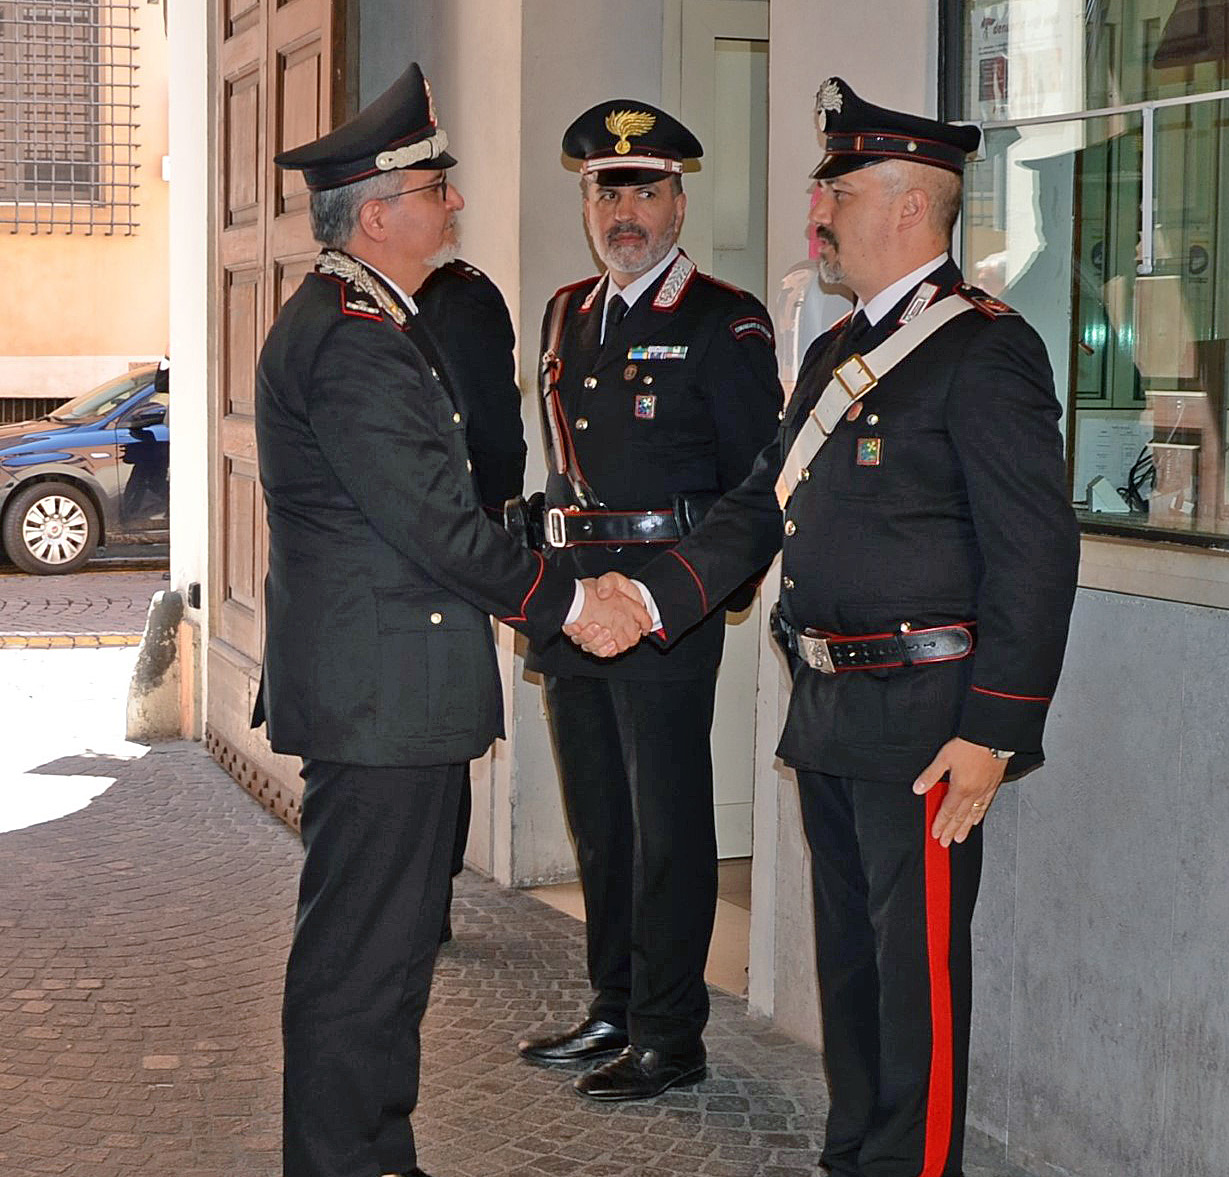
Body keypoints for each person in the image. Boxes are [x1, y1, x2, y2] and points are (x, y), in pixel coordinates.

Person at [580, 77, 1079, 1177]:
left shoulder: (983, 349)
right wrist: (648, 599)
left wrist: (994, 731)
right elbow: (757, 505)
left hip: (931, 723)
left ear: (909, 204)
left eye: (837, 192)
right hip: (834, 707)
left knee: (915, 983)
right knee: (851, 972)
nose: (818, 211)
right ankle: (855, 1156)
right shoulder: (835, 349)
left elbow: (1037, 553)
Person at [252, 63, 629, 1177]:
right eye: (435, 188)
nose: (454, 202)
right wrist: (573, 602)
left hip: (393, 695)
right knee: (360, 961)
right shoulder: (351, 338)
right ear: (378, 215)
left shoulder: (375, 319)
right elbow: (436, 526)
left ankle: (379, 1152)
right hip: (381, 699)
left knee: (392, 954)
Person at [512, 100, 781, 1102]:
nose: (623, 212)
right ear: (586, 203)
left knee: (666, 823)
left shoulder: (723, 319)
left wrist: (695, 593)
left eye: (644, 191)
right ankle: (615, 1004)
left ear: (678, 201)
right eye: (605, 192)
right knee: (600, 817)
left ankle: (672, 1031)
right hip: (574, 602)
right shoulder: (565, 313)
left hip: (663, 609)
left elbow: (759, 483)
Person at [413, 257, 527, 943]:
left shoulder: (458, 300)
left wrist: (486, 543)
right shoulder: (353, 301)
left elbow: (494, 434)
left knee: (435, 729)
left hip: (444, 558)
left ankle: (431, 899)